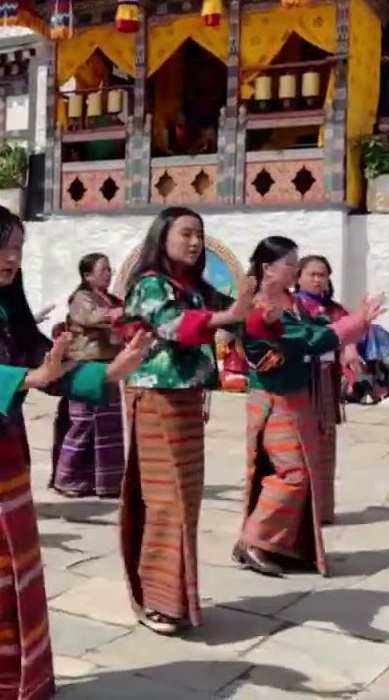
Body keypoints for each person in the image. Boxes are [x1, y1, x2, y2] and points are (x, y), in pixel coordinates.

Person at [0, 205, 152, 699]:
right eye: (1, 246)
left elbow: (50, 366)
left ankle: (16, 676)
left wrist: (112, 371)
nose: (11, 257)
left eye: (19, 248)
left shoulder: (5, 306)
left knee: (18, 568)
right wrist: (34, 377)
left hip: (6, 449)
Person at [119, 206, 254, 635]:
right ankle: (158, 598)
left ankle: (175, 595)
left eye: (200, 234)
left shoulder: (195, 287)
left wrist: (261, 307)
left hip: (186, 398)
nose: (195, 242)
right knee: (166, 500)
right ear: (163, 238)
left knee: (185, 501)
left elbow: (237, 314)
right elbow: (174, 325)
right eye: (186, 234)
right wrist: (227, 318)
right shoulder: (150, 285)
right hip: (157, 397)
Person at [235, 236, 380, 577]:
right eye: (291, 263)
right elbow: (308, 340)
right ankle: (253, 540)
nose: (296, 269)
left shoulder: (291, 302)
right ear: (267, 268)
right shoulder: (258, 306)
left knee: (303, 473)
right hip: (274, 398)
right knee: (293, 472)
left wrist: (353, 323)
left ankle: (284, 545)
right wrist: (354, 323)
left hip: (296, 395)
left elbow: (315, 328)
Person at [51, 252, 126, 498]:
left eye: (109, 269)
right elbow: (91, 318)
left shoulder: (112, 299)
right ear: (87, 275)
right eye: (103, 269)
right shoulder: (81, 298)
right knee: (83, 423)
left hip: (108, 367)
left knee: (108, 426)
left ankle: (105, 482)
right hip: (83, 366)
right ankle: (67, 478)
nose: (108, 273)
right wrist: (118, 315)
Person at [293, 255, 360, 525]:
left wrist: (351, 351)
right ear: (298, 276)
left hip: (325, 382)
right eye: (312, 274)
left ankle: (321, 510)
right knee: (297, 445)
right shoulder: (292, 307)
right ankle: (298, 511)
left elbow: (349, 335)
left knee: (325, 444)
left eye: (322, 275)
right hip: (298, 381)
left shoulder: (335, 310)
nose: (318, 279)